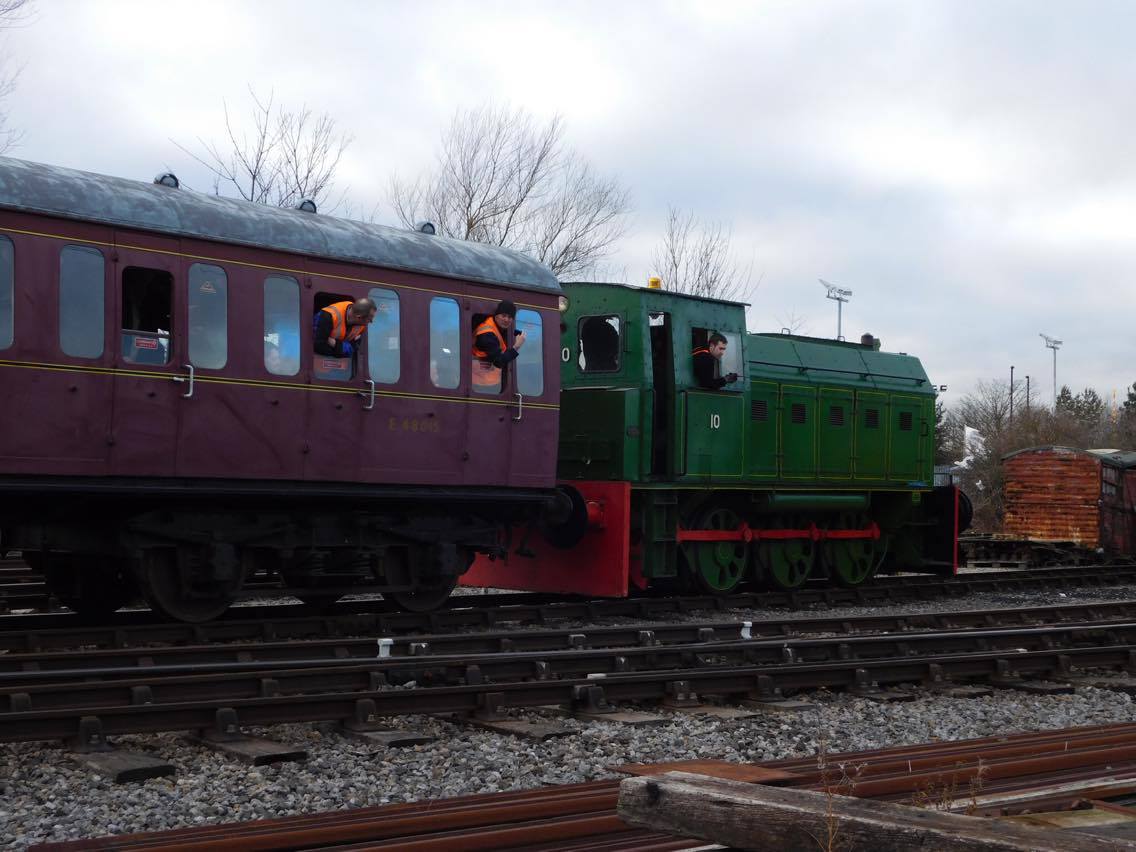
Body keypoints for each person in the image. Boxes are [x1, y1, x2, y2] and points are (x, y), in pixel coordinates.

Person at [471, 300, 525, 390]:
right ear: (496, 316)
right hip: (479, 381)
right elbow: (498, 361)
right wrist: (516, 347)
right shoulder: (486, 334)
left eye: (510, 317)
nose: (506, 319)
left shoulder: (496, 327)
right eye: (503, 316)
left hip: (490, 381)